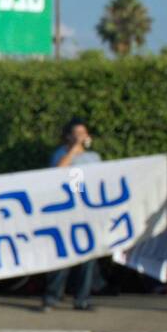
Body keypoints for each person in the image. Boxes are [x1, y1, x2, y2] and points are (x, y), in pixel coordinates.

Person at [40, 117, 102, 312]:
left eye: (83, 133)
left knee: (88, 258)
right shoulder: (61, 154)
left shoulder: (94, 158)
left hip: (87, 211)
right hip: (65, 212)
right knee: (62, 255)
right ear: (68, 137)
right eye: (76, 134)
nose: (80, 137)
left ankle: (82, 298)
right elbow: (56, 173)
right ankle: (52, 296)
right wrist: (73, 152)